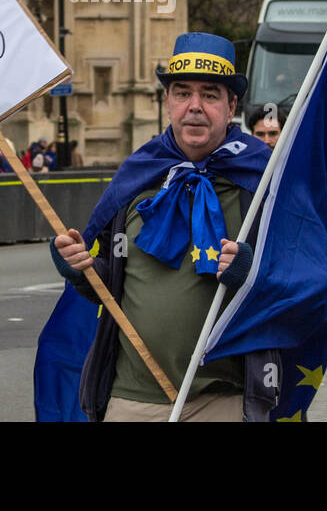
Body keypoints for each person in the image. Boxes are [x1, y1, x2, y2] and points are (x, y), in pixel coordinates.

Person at [49, 32, 277, 421]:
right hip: (131, 398)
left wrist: (251, 272)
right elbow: (110, 284)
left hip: (222, 399)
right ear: (167, 101)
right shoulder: (137, 175)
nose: (194, 107)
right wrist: (78, 268)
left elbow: (302, 279)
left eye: (209, 94)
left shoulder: (263, 180)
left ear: (231, 104)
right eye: (182, 92)